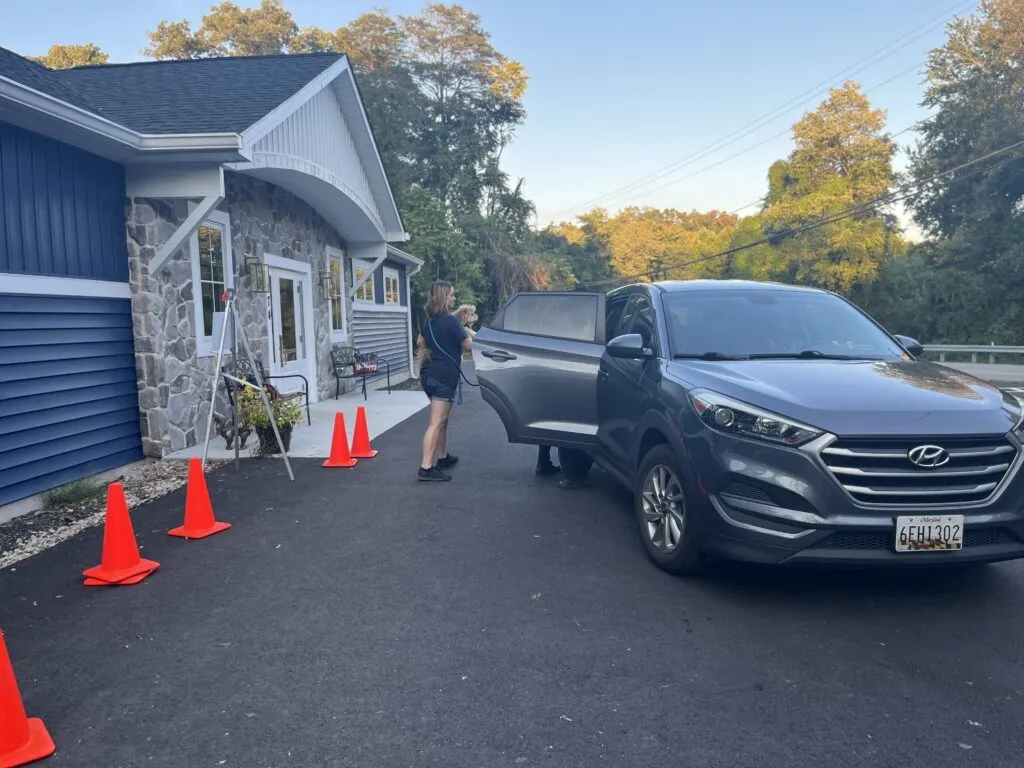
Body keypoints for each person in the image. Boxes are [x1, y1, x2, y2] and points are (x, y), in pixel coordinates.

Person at [416, 281, 471, 482]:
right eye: (451, 295)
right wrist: (467, 331)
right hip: (444, 377)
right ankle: (426, 468)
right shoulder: (451, 321)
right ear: (442, 297)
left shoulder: (428, 321)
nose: (454, 299)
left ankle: (443, 457)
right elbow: (468, 346)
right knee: (436, 422)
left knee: (442, 421)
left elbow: (420, 342)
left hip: (428, 375)